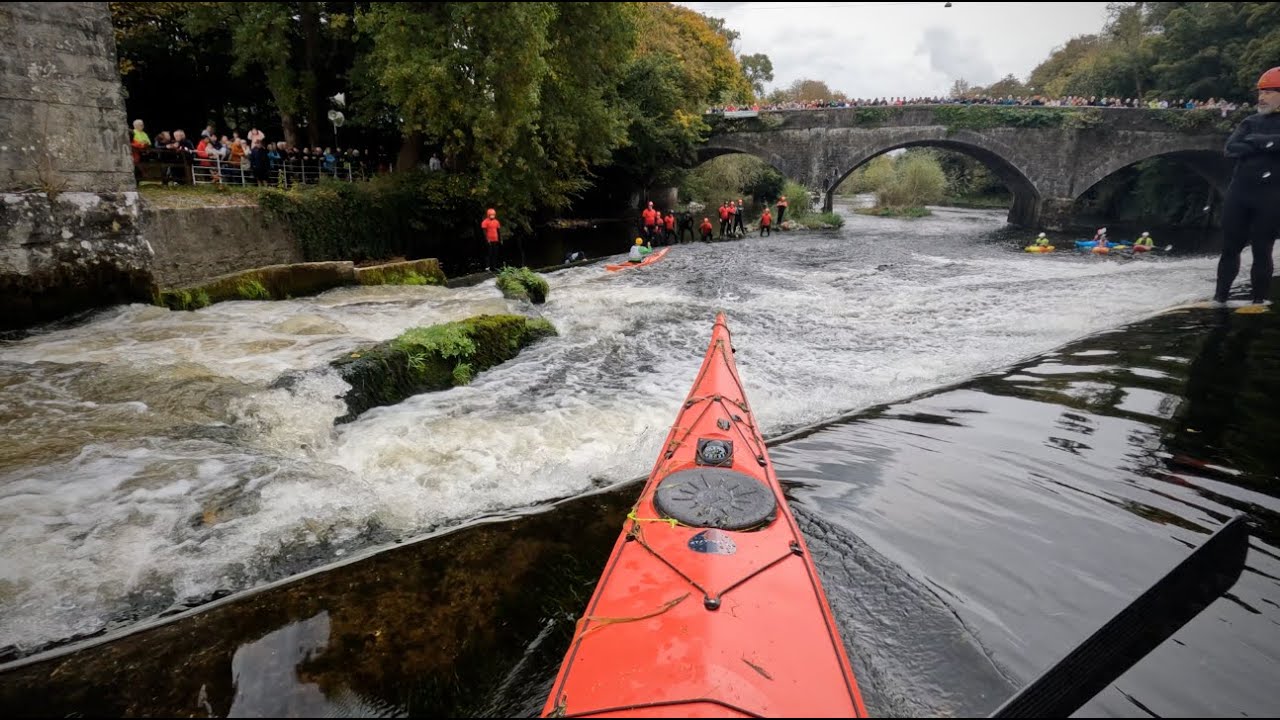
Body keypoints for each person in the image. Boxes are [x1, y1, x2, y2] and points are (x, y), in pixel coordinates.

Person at [1214, 66, 1280, 305]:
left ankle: (1258, 301)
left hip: (1271, 196)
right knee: (1229, 248)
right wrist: (1268, 144)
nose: (1261, 97)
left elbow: (1247, 146)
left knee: (1262, 250)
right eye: (1260, 92)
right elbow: (1230, 149)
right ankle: (1220, 298)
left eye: (1269, 92)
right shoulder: (1250, 121)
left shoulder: (1254, 129)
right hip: (1240, 192)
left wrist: (1256, 143)